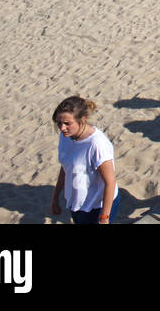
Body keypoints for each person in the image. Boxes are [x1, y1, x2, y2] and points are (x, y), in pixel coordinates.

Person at [50, 96, 119, 224]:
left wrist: (104, 217)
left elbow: (110, 181)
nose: (62, 128)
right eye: (59, 123)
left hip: (98, 206)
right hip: (77, 203)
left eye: (67, 123)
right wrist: (55, 197)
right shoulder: (66, 136)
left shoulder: (97, 144)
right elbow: (66, 166)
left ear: (82, 119)